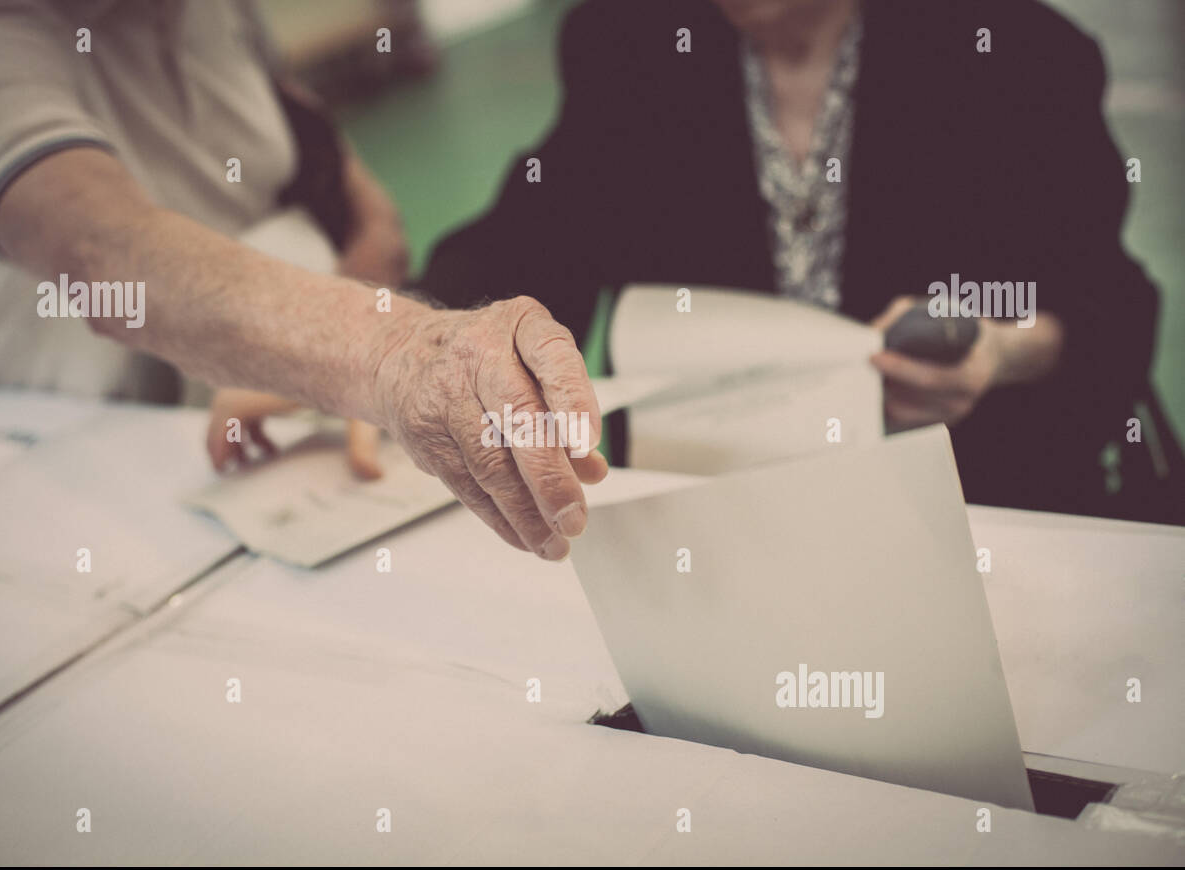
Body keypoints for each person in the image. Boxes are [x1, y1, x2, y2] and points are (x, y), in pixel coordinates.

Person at [401, 0, 1179, 522]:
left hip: (973, 501)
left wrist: (999, 350)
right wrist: (411, 343)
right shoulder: (634, 36)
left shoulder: (1008, 47)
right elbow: (535, 234)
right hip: (720, 505)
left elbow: (1103, 302)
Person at [0, 0, 607, 560]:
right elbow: (102, 253)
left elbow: (336, 173)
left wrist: (342, 336)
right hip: (79, 457)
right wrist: (391, 354)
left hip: (272, 415)